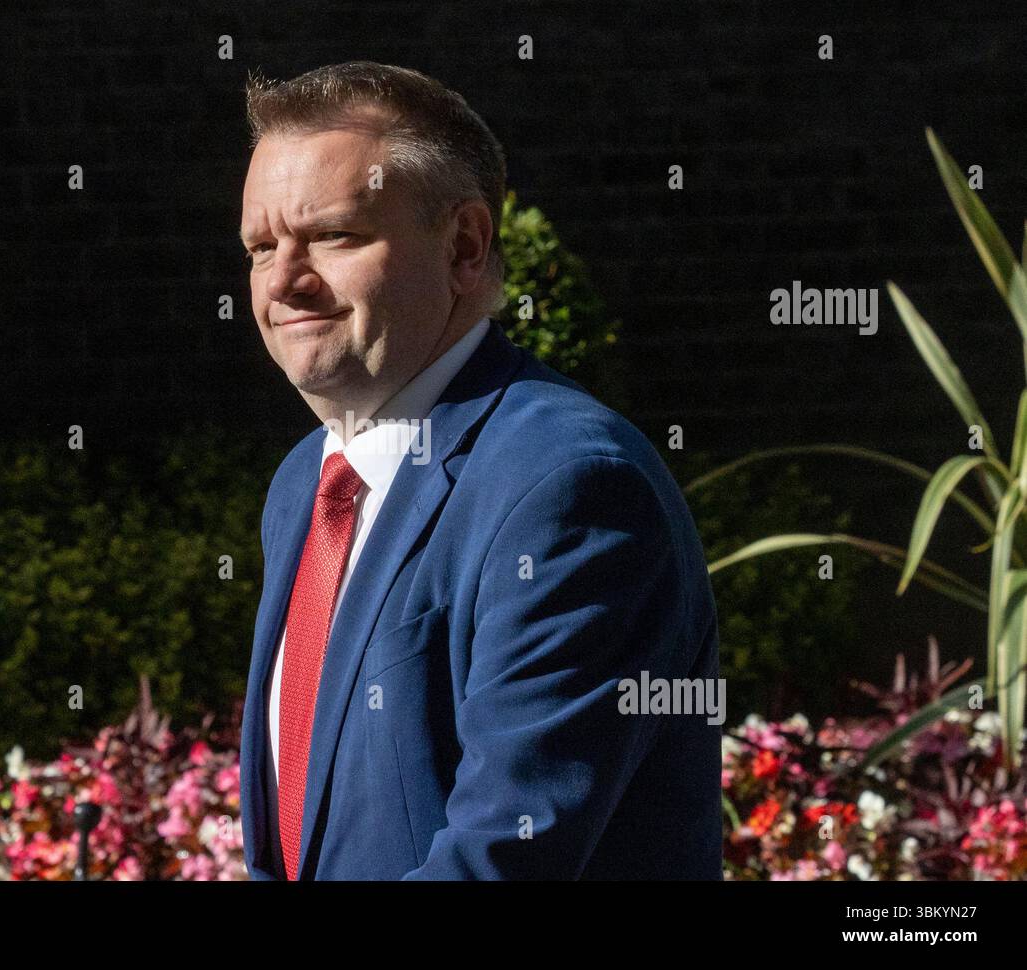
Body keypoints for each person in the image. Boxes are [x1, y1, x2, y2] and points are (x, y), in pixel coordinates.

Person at [237, 61, 721, 880]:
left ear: (465, 245)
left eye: (333, 236)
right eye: (259, 246)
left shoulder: (570, 489)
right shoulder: (304, 485)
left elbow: (504, 857)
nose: (283, 280)